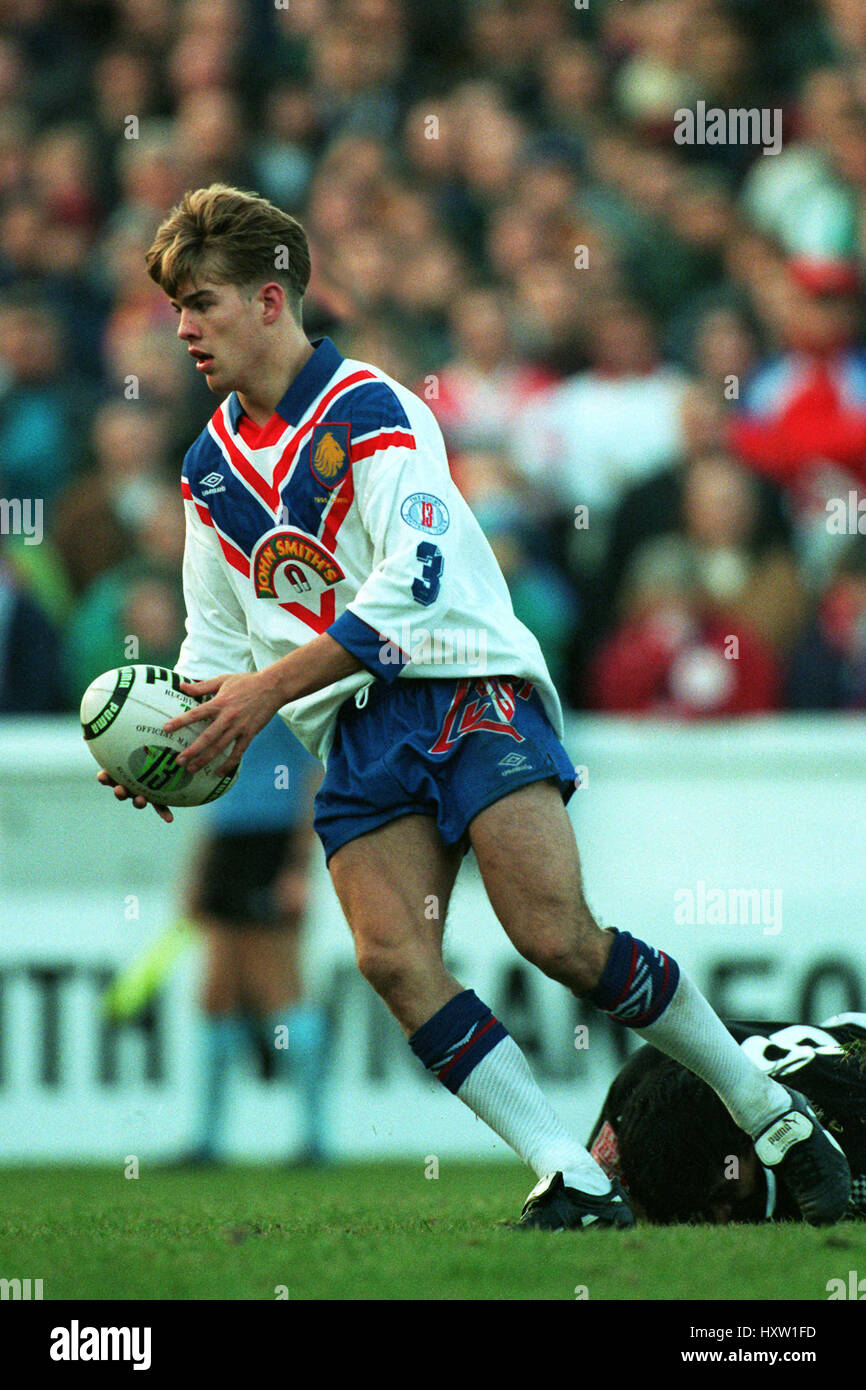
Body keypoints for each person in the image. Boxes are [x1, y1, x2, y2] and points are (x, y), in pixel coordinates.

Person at [99, 183, 850, 1230]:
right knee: (390, 958)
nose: (182, 327)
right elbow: (216, 650)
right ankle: (569, 1173)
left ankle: (769, 1113)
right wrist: (174, 743)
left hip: (463, 685)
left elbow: (411, 589)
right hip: (354, 727)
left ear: (270, 300)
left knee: (556, 937)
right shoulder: (205, 469)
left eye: (201, 302)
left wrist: (263, 690)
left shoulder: (371, 410)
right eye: (178, 306)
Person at [182, 714, 327, 1166]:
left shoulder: (287, 689)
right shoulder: (224, 688)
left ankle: (315, 1138)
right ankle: (206, 1141)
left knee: (278, 989)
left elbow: (313, 771)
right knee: (216, 994)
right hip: (227, 840)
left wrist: (299, 866)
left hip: (272, 839)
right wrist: (200, 866)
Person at [589, 1015, 866, 1224]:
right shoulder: (634, 1090)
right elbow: (591, 1208)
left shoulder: (847, 1118)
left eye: (724, 1195)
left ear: (748, 1136)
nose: (720, 1221)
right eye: (694, 1209)